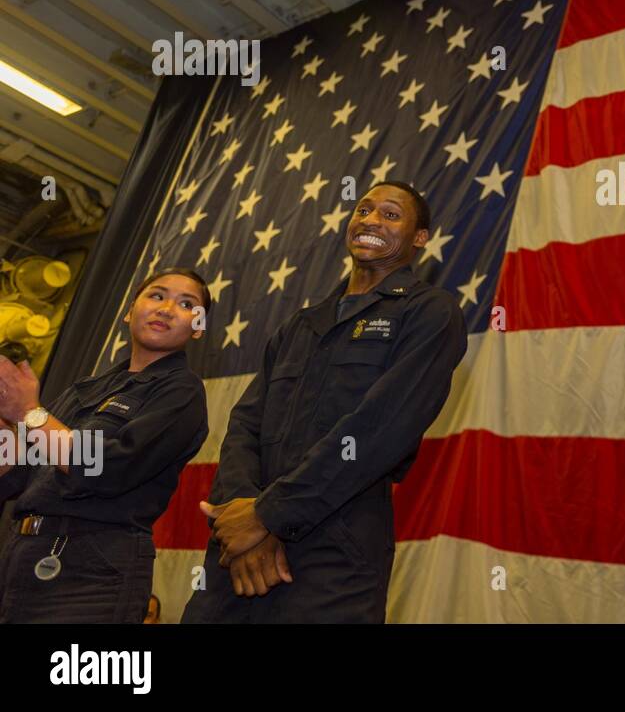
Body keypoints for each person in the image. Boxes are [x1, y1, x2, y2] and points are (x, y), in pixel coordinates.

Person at [182, 181, 468, 623]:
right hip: (238, 555)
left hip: (335, 551)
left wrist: (268, 516)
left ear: (420, 238)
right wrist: (242, 514)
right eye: (363, 210)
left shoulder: (430, 312)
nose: (371, 220)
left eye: (391, 215)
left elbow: (379, 430)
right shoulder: (300, 325)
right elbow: (245, 425)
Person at [0, 268, 210, 623]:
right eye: (157, 295)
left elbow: (106, 467)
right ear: (129, 312)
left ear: (198, 328)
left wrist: (28, 413)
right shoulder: (86, 388)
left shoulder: (182, 392)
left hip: (90, 570)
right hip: (21, 554)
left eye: (187, 304)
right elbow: (19, 473)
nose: (166, 308)